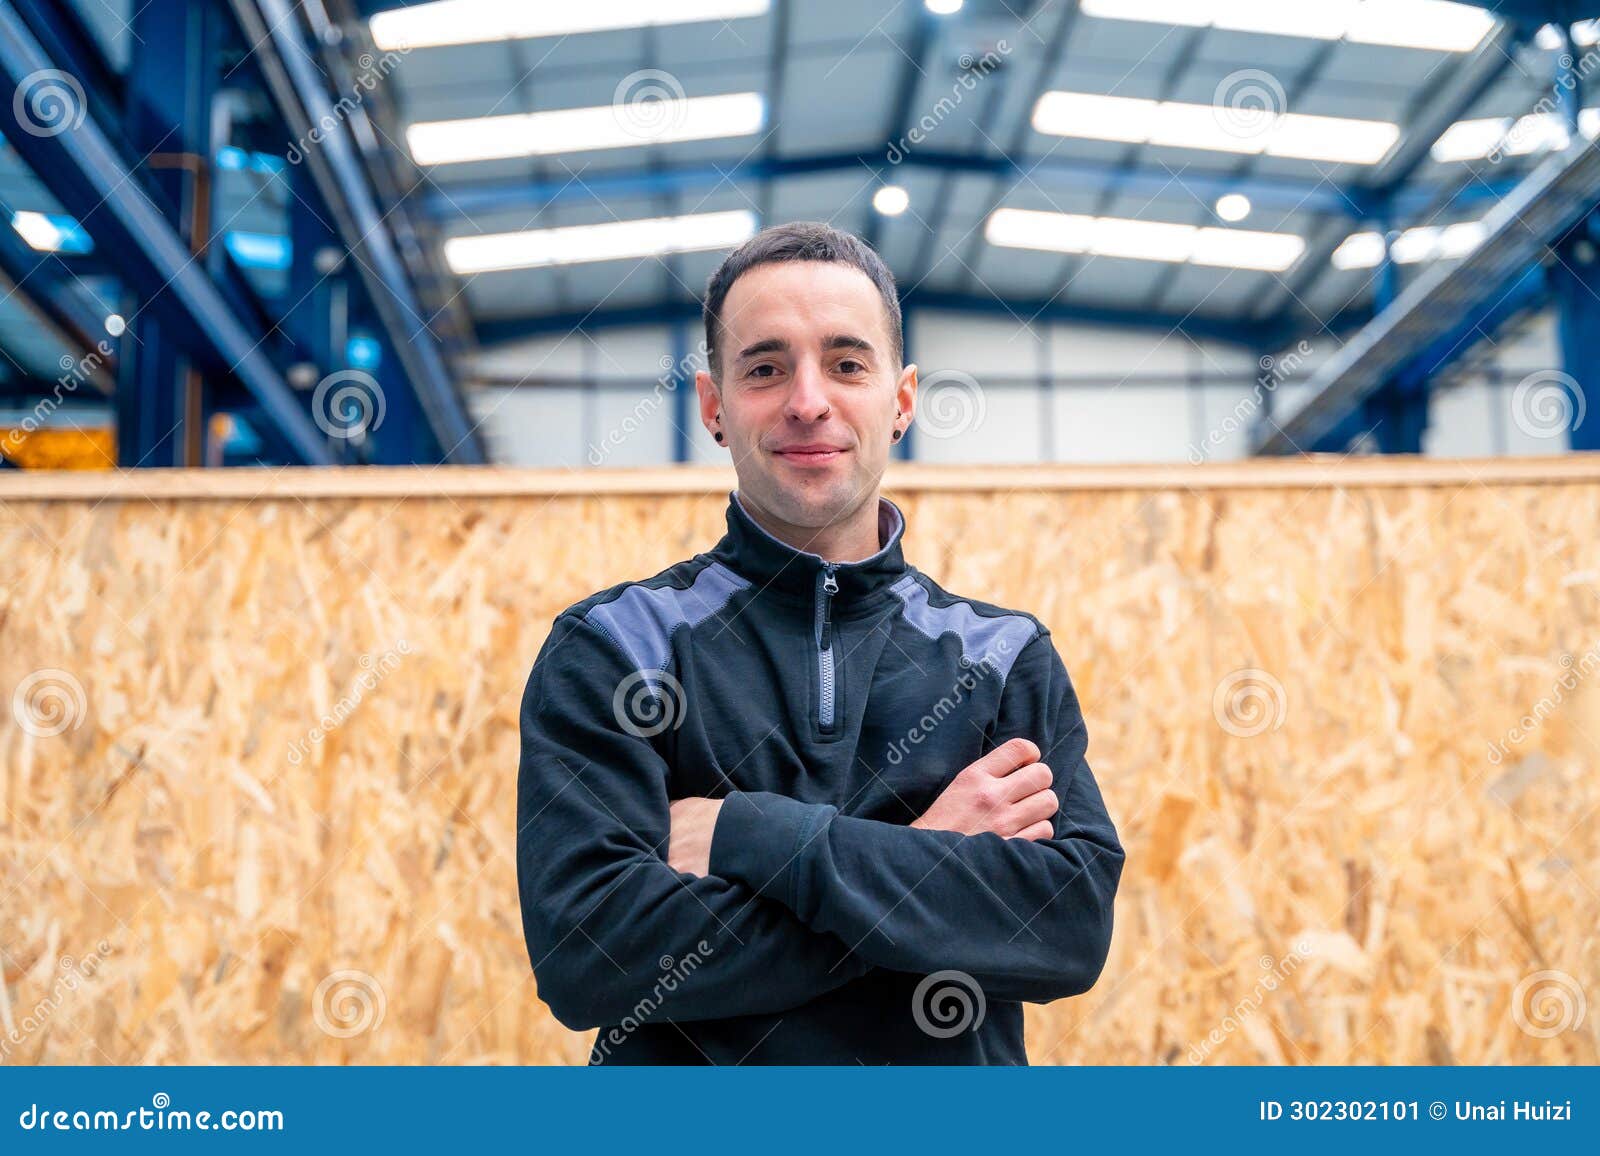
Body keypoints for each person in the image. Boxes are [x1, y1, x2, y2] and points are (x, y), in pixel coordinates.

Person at [516, 221, 1124, 1064]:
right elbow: (592, 956)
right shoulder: (616, 649)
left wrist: (751, 838)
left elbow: (1065, 929)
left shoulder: (1001, 655)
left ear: (902, 400)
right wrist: (931, 866)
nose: (808, 400)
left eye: (847, 363)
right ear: (715, 407)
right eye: (765, 368)